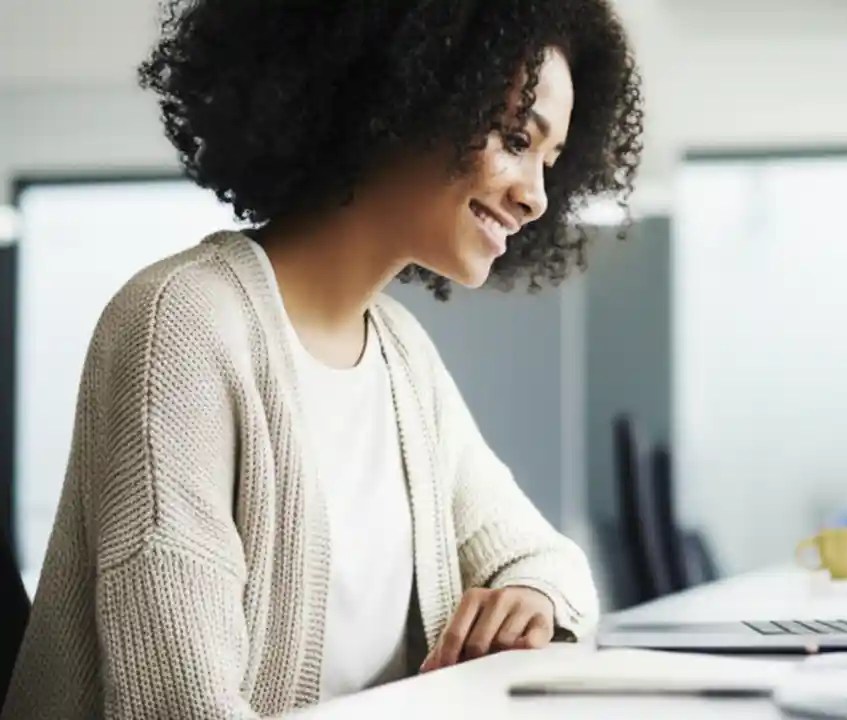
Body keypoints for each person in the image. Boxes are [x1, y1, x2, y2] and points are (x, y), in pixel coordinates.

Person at [2, 0, 642, 717]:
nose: (536, 198)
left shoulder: (402, 357)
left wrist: (531, 597)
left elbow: (550, 563)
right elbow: (179, 706)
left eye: (550, 163)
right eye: (516, 139)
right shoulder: (179, 326)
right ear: (407, 91)